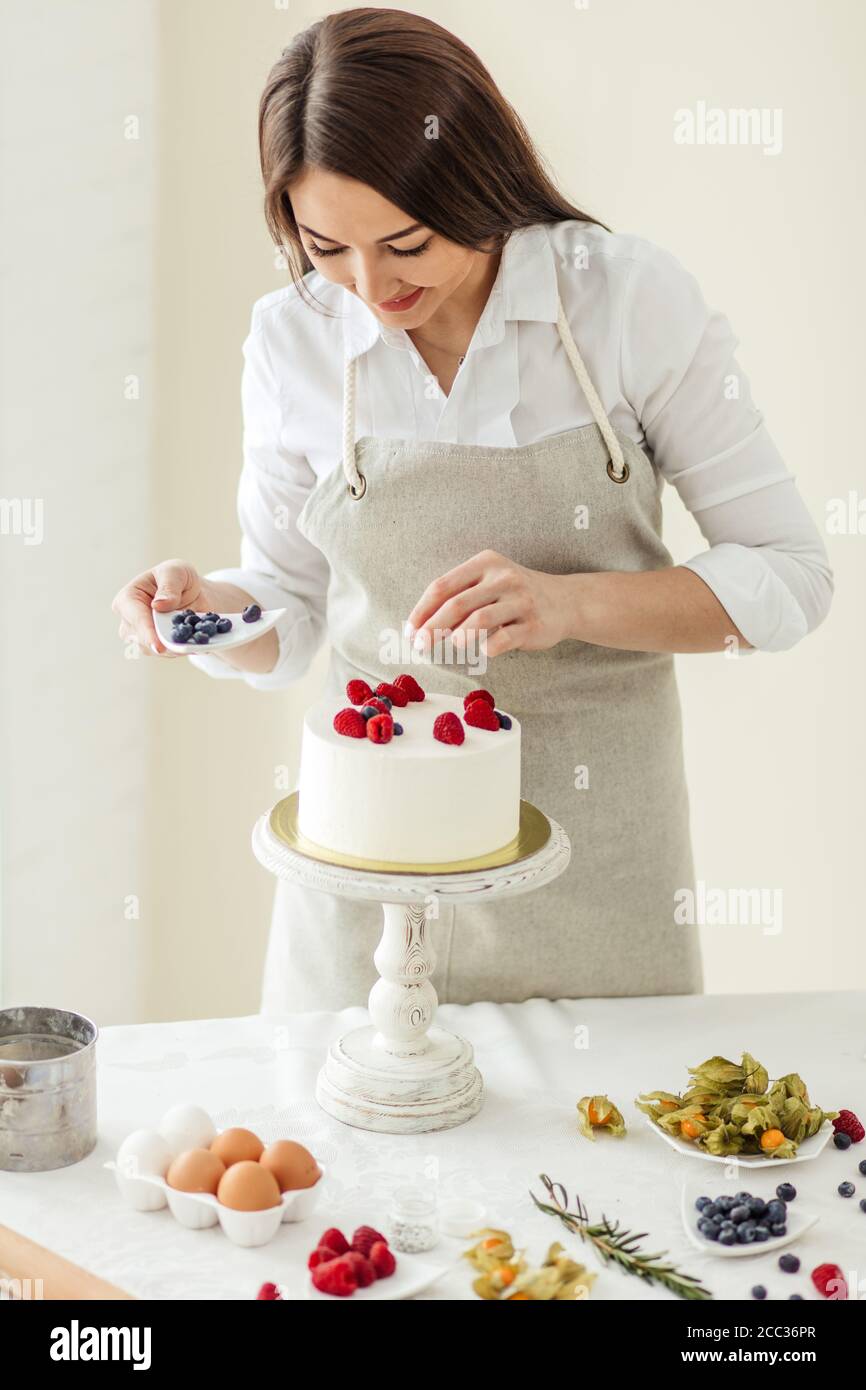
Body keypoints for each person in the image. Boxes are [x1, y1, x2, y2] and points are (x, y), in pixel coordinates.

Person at [112, 8, 832, 1012]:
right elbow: (288, 609)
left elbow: (789, 574)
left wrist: (568, 604)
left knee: (592, 1165)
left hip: (595, 874)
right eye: (324, 249)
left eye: (403, 241)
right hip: (361, 883)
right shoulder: (292, 341)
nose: (370, 286)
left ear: (475, 178)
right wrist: (206, 613)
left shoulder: (622, 303)